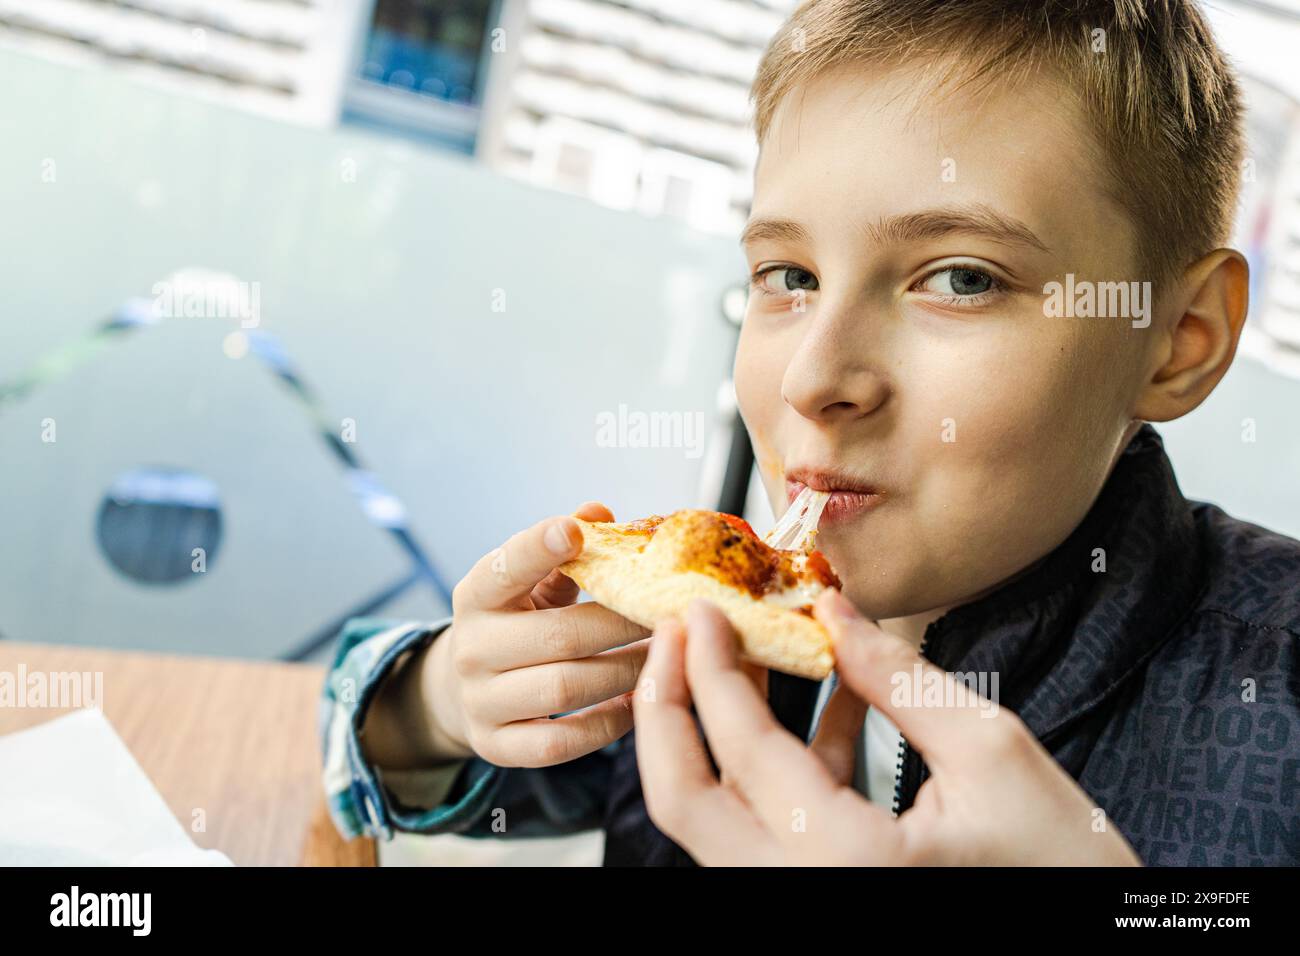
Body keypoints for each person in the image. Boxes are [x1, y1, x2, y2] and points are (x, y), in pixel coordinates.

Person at [320, 0, 1300, 865]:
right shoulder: (714, 614)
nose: (810, 378)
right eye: (788, 276)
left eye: (960, 277)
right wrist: (443, 697)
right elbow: (386, 749)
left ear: (1178, 339)